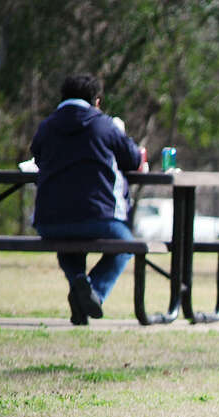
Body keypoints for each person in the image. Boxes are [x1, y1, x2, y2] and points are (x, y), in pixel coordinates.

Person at [31, 73, 142, 325]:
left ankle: (80, 283)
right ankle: (94, 292)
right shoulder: (104, 125)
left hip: (50, 220)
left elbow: (37, 158)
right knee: (126, 245)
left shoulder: (47, 126)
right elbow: (133, 160)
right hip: (98, 216)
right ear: (97, 102)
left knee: (65, 240)